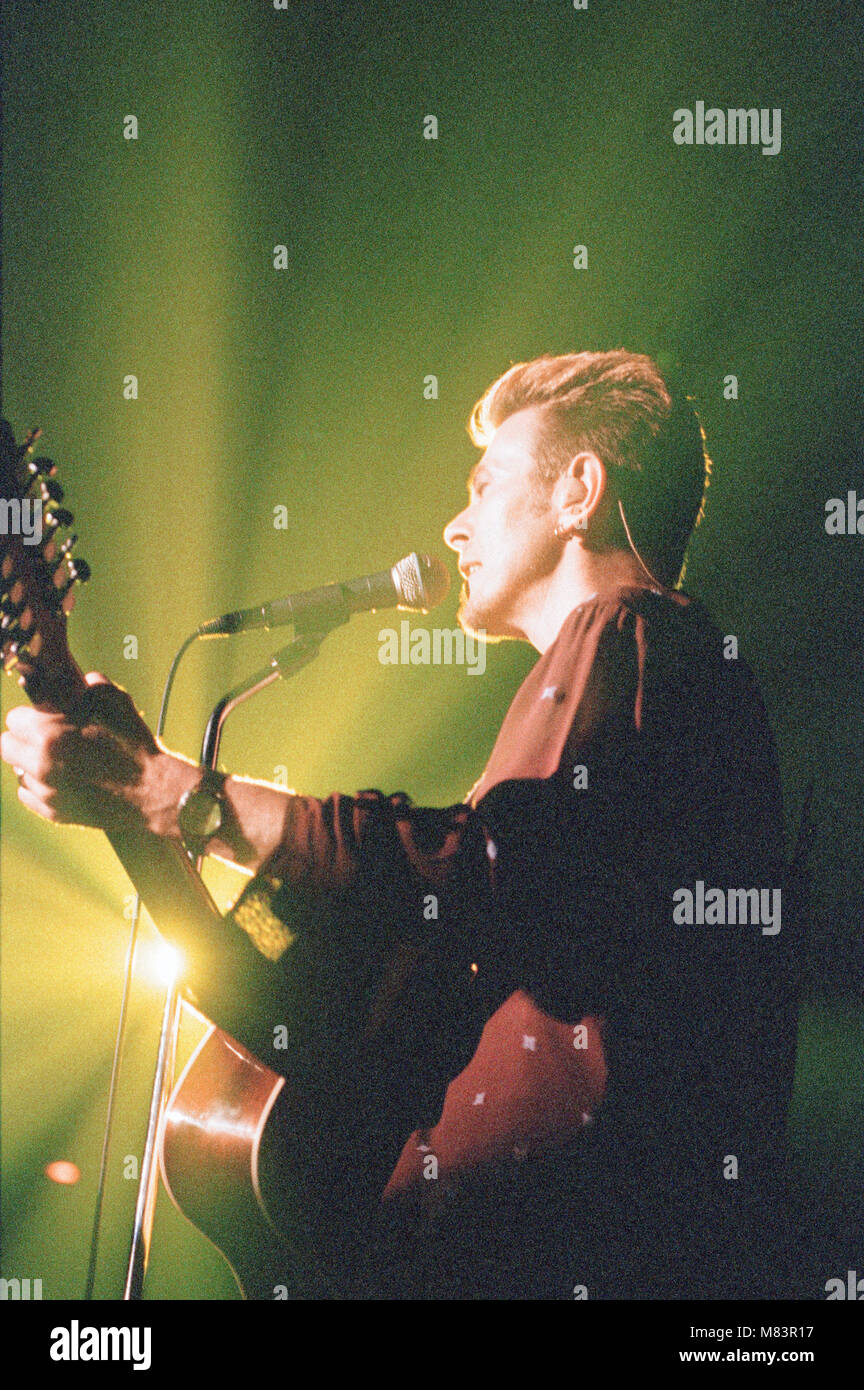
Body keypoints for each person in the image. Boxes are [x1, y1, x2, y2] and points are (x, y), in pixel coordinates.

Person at [1, 350, 797, 1299]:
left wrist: (177, 794)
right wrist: (136, 809)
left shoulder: (633, 629)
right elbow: (295, 1037)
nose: (456, 526)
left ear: (580, 490)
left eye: (486, 482)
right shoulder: (586, 747)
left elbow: (483, 868)